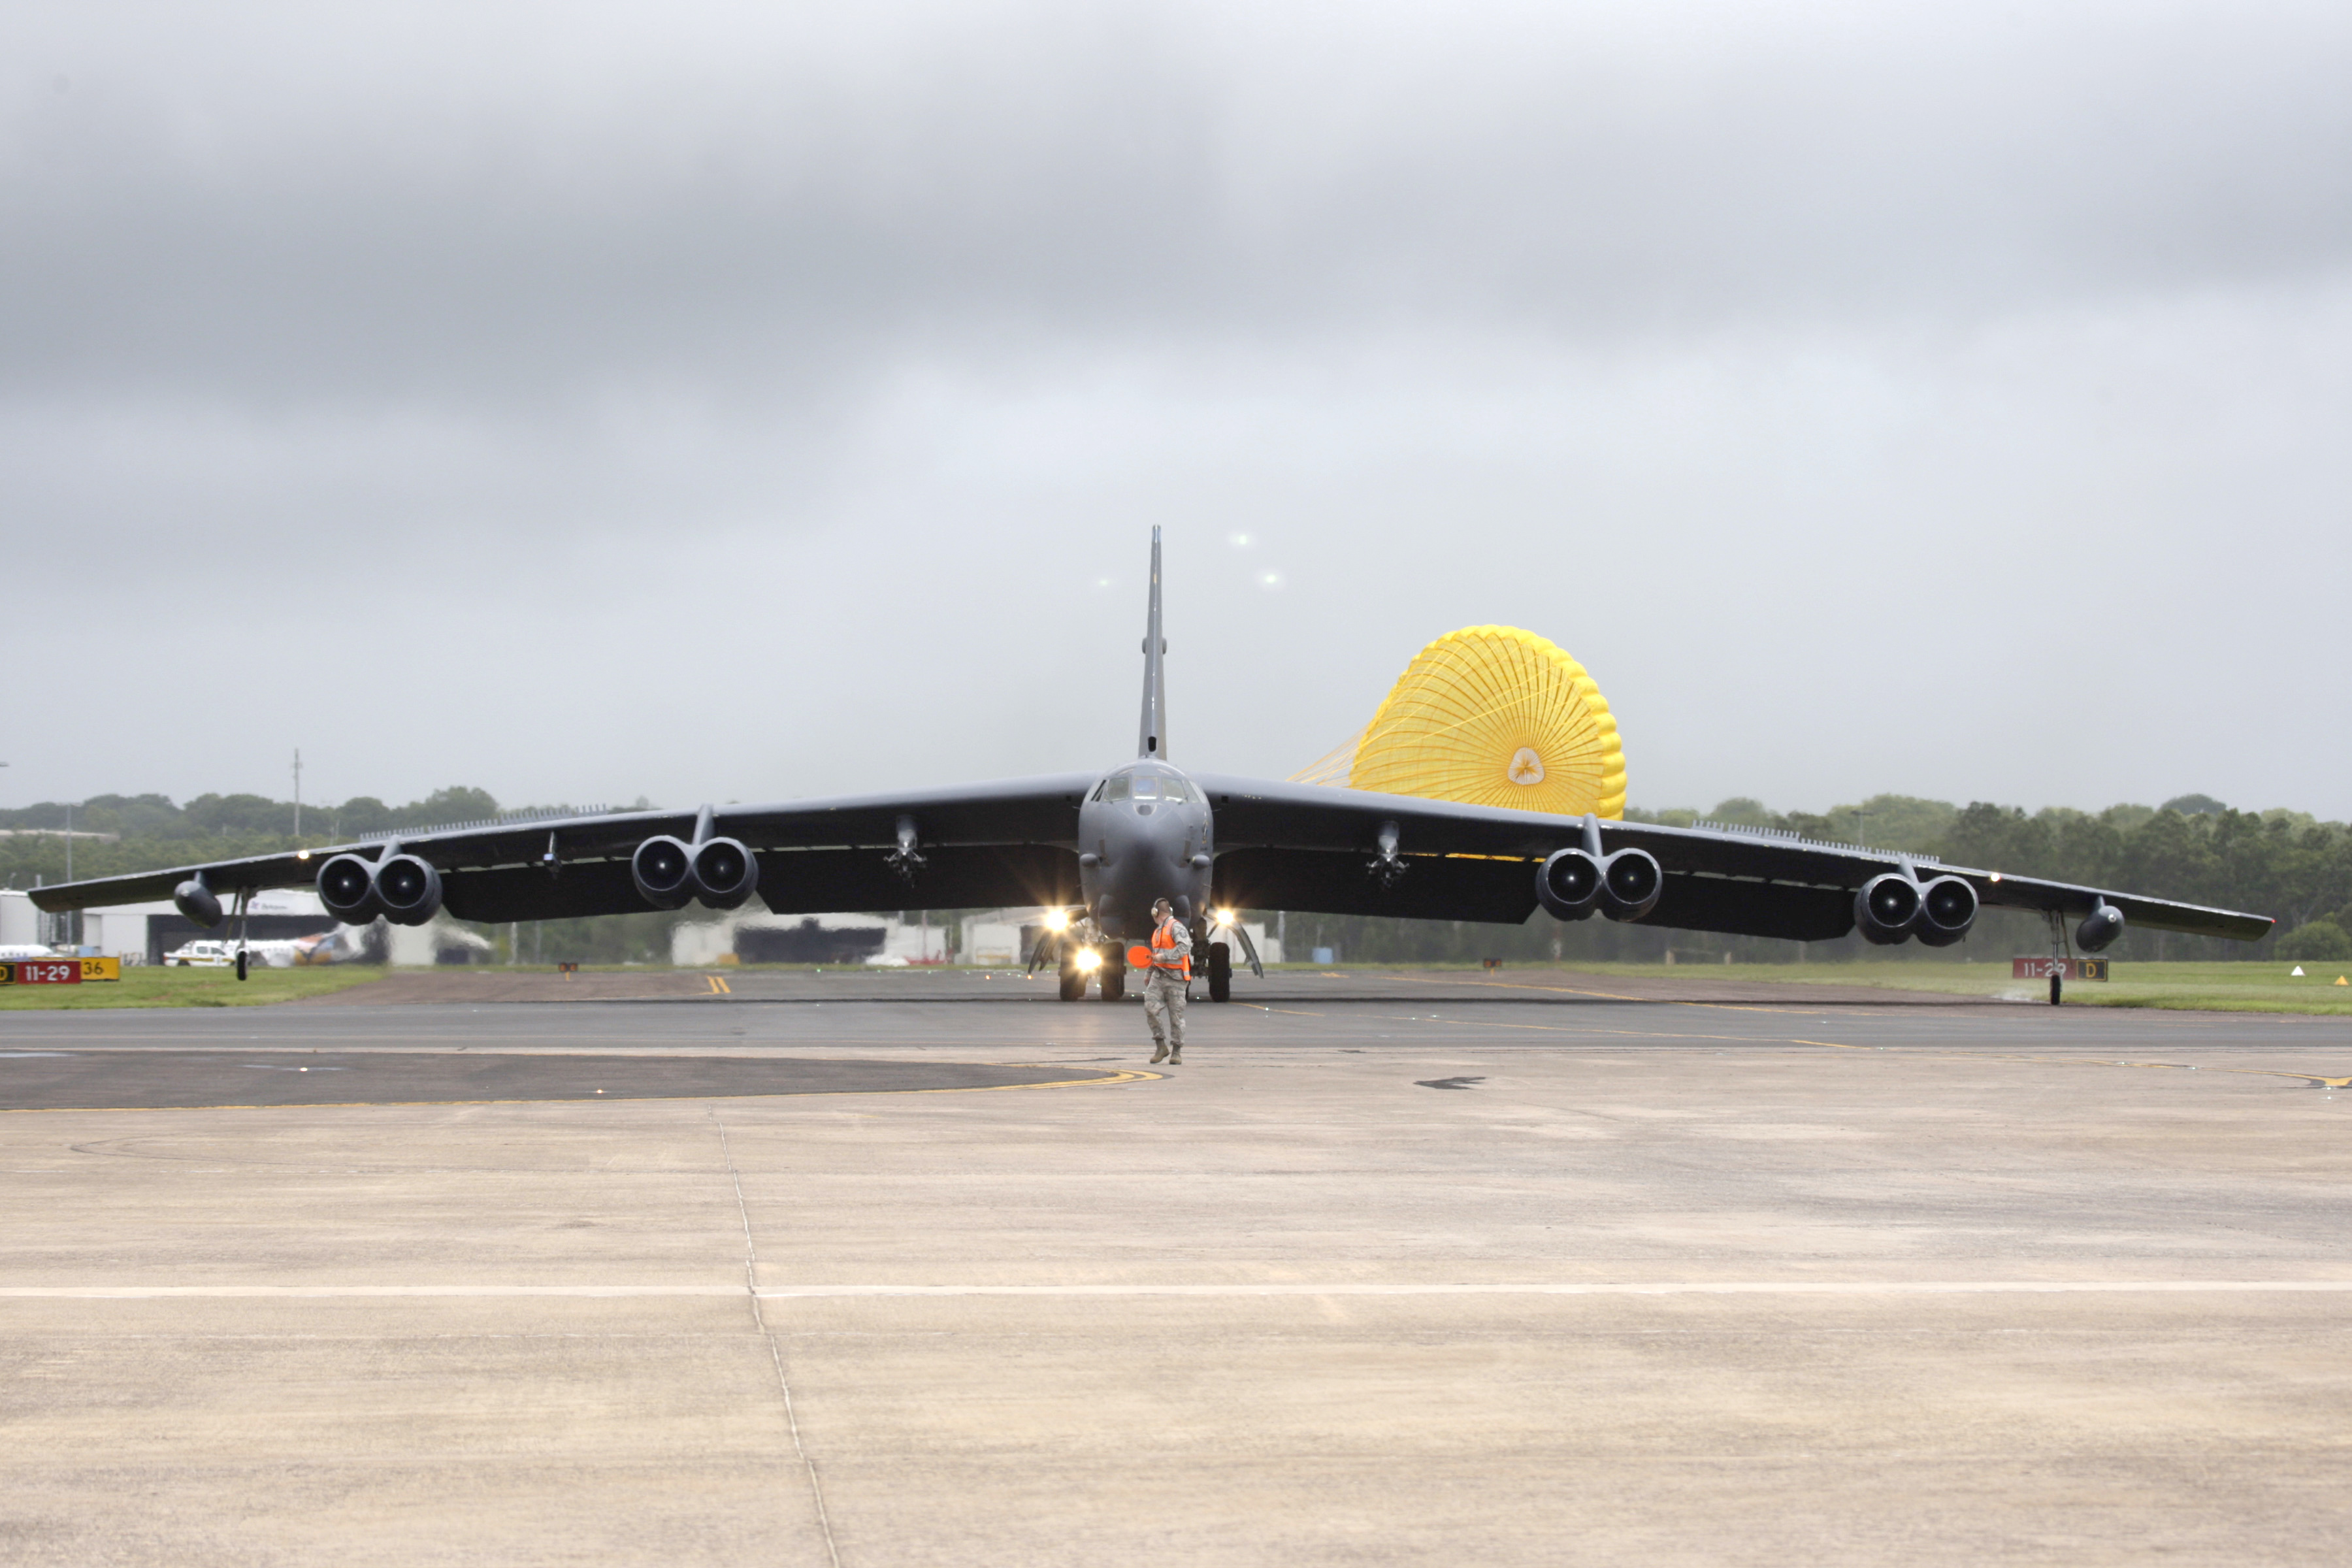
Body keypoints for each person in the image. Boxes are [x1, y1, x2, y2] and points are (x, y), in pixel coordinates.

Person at [1143, 896, 1192, 1065]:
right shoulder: (1157, 932)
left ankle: (1177, 1051)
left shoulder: (1176, 927)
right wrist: (1149, 973)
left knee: (1176, 1017)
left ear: (1155, 913)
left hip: (1176, 978)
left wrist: (1165, 957)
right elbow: (1154, 954)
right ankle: (1161, 1046)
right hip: (1158, 976)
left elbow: (1185, 947)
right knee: (1150, 1008)